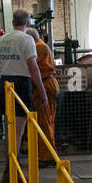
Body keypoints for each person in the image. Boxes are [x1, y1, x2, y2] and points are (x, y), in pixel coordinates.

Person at [0, 9, 48, 183]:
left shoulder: (3, 39)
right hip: (21, 85)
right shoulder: (27, 39)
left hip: (5, 84)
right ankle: (11, 172)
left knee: (11, 129)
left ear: (13, 22)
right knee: (18, 131)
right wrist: (42, 91)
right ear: (28, 23)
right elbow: (33, 67)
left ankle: (12, 169)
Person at [28, 26, 59, 164]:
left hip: (45, 85)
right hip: (47, 84)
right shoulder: (41, 45)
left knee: (45, 122)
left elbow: (32, 66)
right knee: (46, 121)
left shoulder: (38, 47)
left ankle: (48, 157)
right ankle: (47, 154)